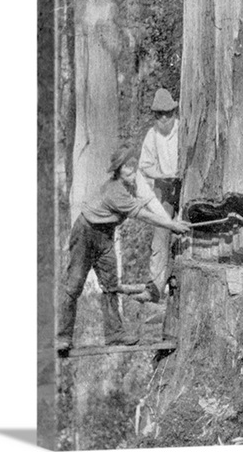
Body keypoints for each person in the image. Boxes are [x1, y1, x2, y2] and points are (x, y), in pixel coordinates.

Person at [57, 144, 190, 353]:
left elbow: (149, 201)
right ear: (118, 171)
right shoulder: (115, 191)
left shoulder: (133, 183)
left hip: (105, 236)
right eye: (127, 168)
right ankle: (63, 338)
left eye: (134, 166)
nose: (131, 171)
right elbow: (143, 215)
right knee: (73, 286)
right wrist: (172, 225)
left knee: (110, 286)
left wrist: (171, 221)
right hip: (85, 233)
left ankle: (115, 334)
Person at [132, 88, 181, 304]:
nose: (163, 119)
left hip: (186, 185)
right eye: (159, 114)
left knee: (184, 234)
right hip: (165, 188)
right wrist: (163, 175)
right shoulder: (152, 135)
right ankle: (154, 288)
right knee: (161, 234)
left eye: (167, 113)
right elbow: (144, 166)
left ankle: (174, 280)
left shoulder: (183, 129)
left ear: (173, 113)